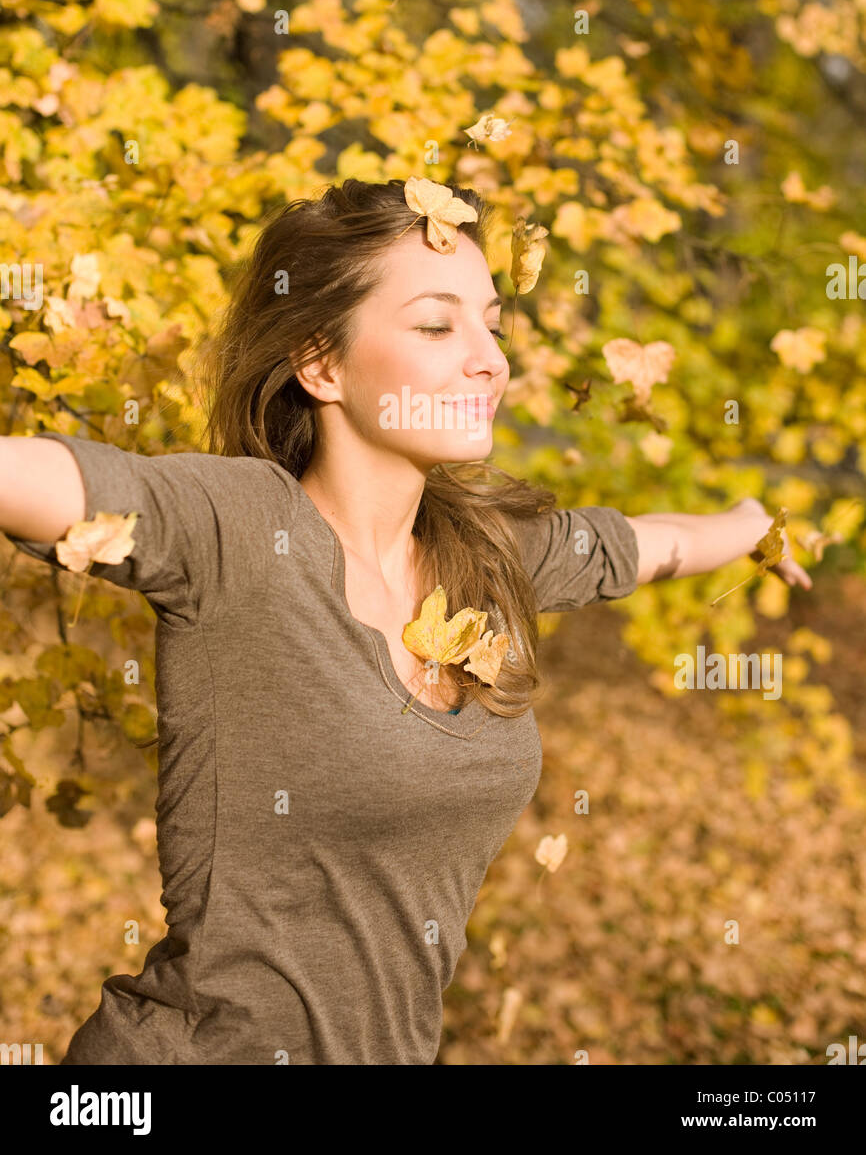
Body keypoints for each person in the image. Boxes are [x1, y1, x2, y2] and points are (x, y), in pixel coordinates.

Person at [0, 177, 811, 1065]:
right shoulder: (235, 527)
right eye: (436, 325)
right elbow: (45, 481)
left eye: (492, 324)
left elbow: (645, 546)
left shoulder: (484, 556)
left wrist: (751, 525)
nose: (490, 358)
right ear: (322, 365)